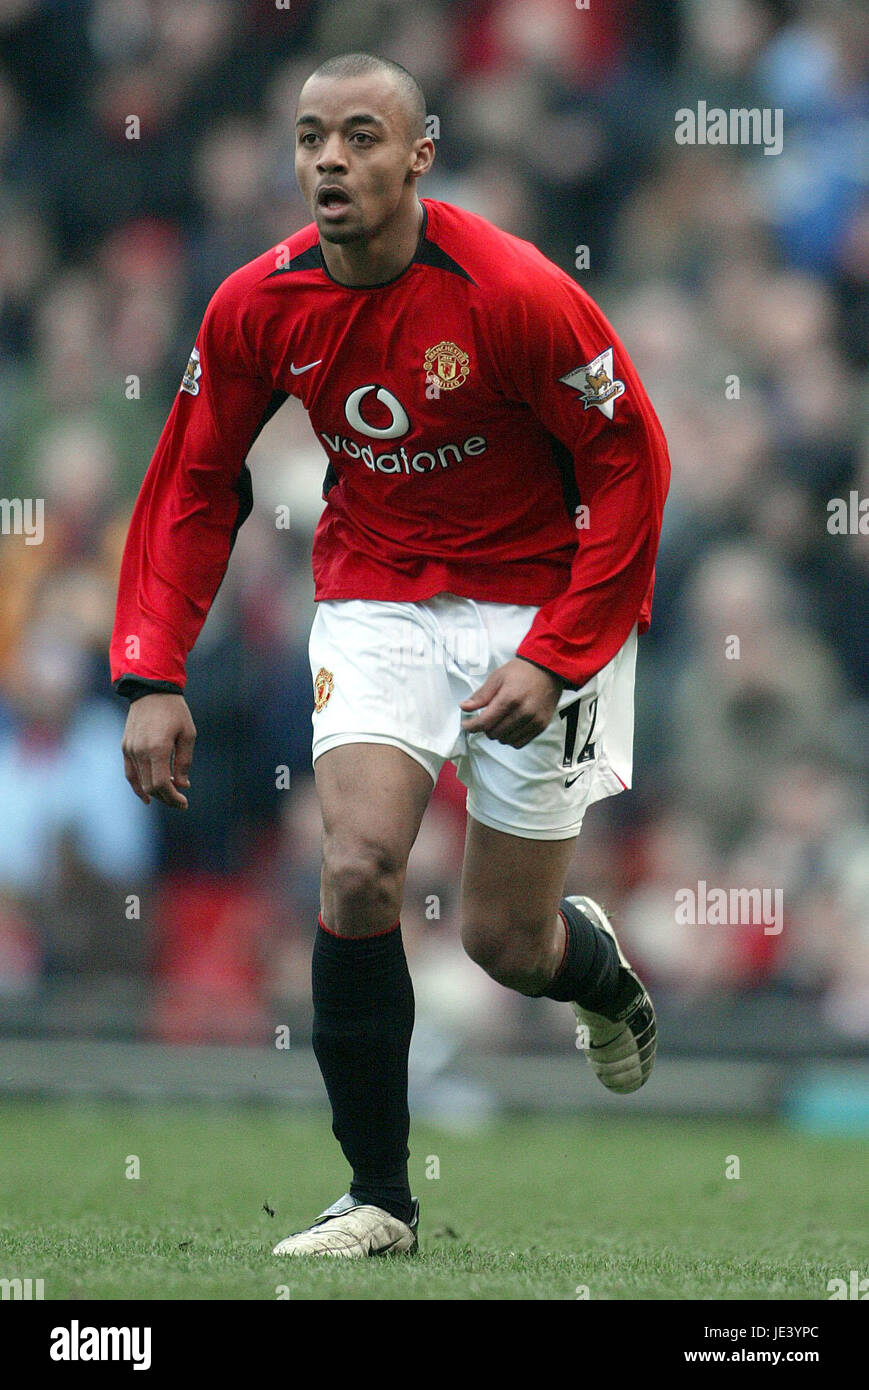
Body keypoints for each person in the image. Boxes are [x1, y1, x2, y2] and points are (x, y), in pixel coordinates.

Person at [110, 52, 671, 1258]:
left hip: (538, 604)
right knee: (358, 866)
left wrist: (563, 652)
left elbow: (631, 464)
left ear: (418, 155)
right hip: (378, 599)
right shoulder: (256, 305)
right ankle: (379, 1199)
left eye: (361, 136)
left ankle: (600, 976)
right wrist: (152, 670)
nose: (328, 160)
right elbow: (194, 481)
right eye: (311, 136)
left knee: (503, 945)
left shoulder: (515, 292)